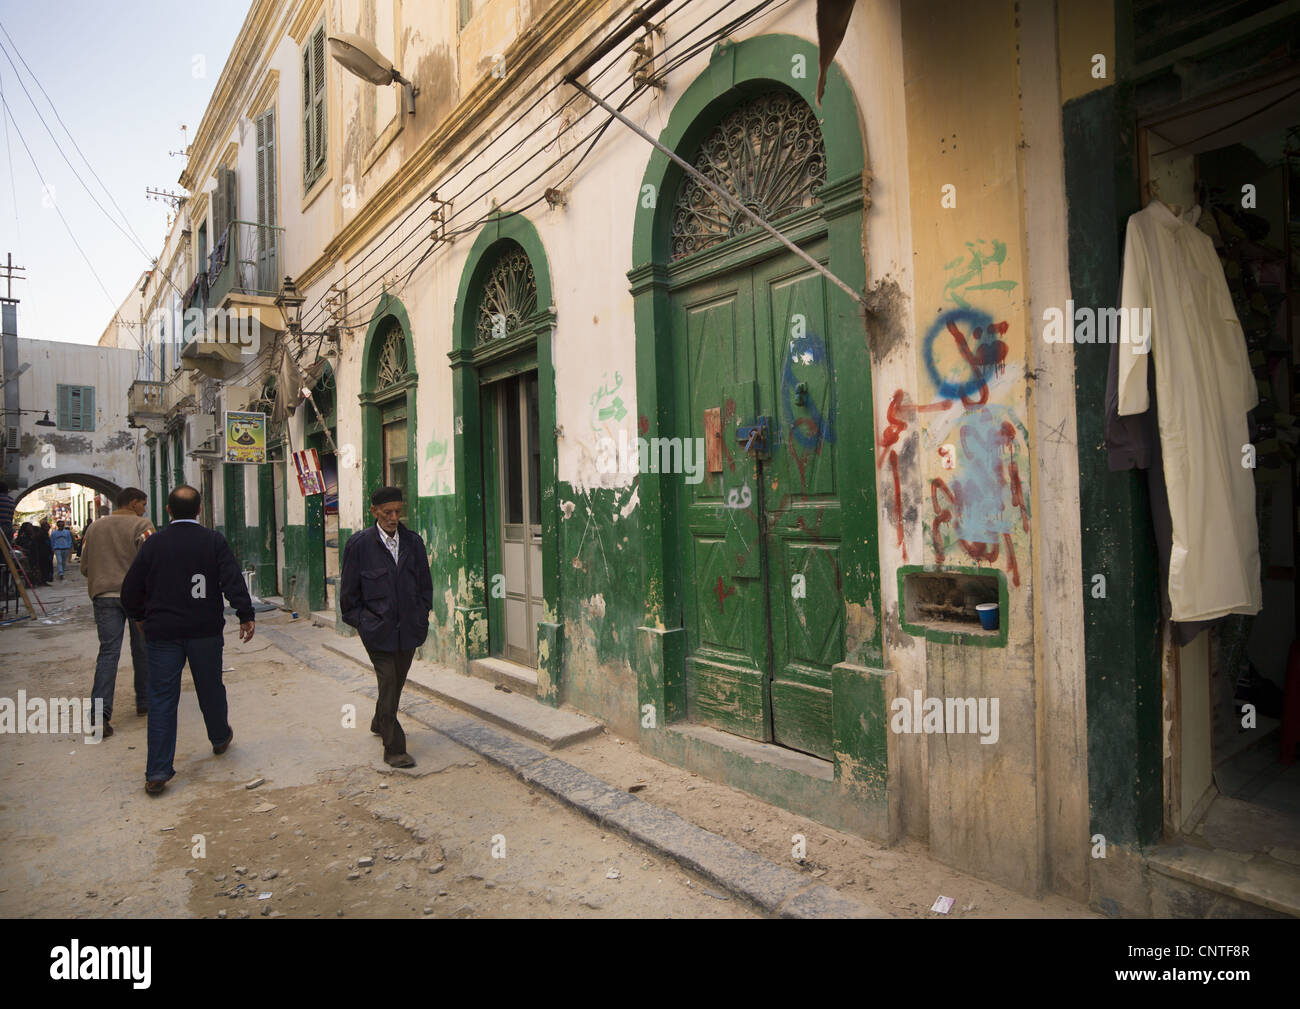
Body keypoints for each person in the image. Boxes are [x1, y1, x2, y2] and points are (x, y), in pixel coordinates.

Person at [121, 484, 254, 796]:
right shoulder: (213, 541)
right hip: (204, 631)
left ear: (168, 510)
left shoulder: (153, 544)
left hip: (162, 633)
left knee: (161, 698)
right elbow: (231, 579)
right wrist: (245, 614)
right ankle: (219, 737)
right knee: (210, 687)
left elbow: (131, 589)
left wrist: (139, 616)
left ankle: (157, 771)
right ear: (199, 510)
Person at [340, 486, 433, 768]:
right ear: (374, 512)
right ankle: (394, 749)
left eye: (397, 512)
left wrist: (421, 614)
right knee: (389, 680)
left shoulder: (413, 543)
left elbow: (425, 585)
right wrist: (364, 623)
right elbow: (349, 595)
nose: (393, 518)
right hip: (376, 631)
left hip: (409, 629)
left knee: (397, 680)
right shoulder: (359, 546)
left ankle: (380, 720)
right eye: (387, 512)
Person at [79, 488, 155, 737]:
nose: (144, 508)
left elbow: (84, 566)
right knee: (142, 649)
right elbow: (153, 561)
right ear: (133, 503)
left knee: (108, 653)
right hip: (137, 597)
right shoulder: (142, 525)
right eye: (142, 503)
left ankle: (99, 715)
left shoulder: (94, 528)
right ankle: (144, 701)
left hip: (104, 596)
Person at [35, 519, 54, 585]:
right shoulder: (41, 534)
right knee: (44, 567)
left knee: (46, 567)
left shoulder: (45, 534)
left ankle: (45, 580)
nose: (48, 528)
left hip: (47, 553)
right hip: (43, 554)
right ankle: (43, 580)